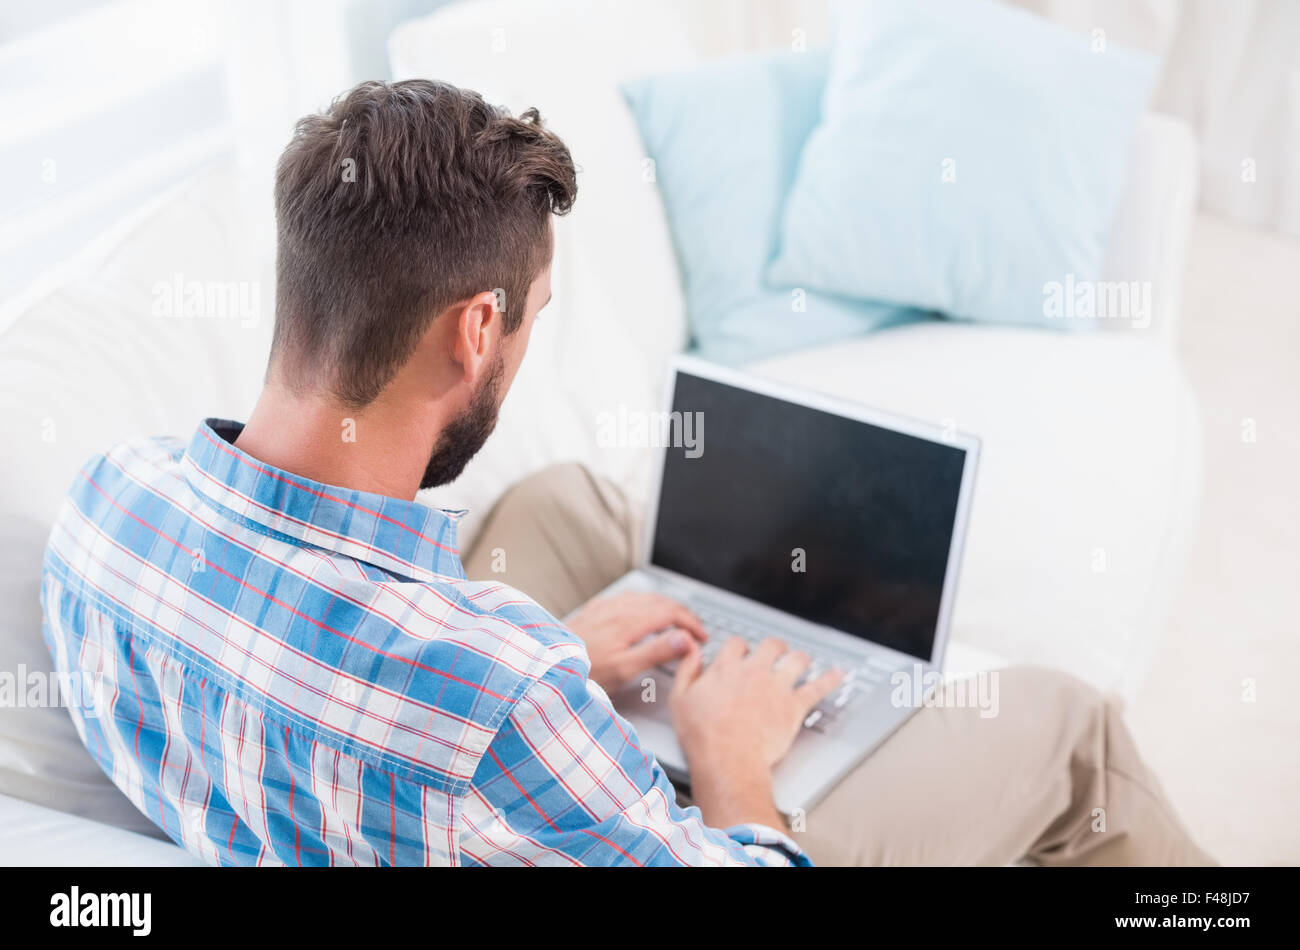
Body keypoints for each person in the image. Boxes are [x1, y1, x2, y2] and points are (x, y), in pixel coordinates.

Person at [41, 79, 1212, 866]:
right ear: (472, 330)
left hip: (387, 733)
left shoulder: (104, 504)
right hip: (500, 762)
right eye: (531, 319)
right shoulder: (500, 701)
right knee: (1069, 725)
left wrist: (562, 651)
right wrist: (728, 756)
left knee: (570, 507)